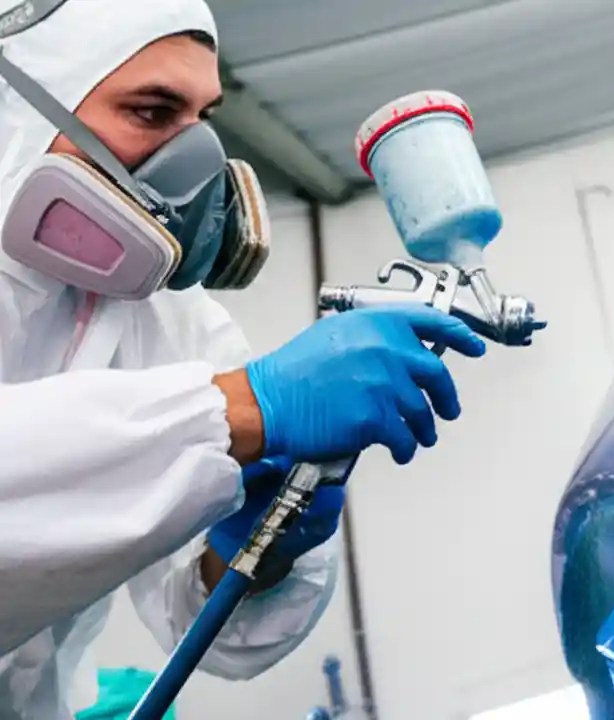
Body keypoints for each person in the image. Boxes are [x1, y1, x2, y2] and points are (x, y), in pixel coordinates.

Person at [0, 0, 485, 716]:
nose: (195, 164)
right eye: (152, 111)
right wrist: (242, 410)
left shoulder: (167, 320)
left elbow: (209, 634)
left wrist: (255, 549)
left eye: (202, 117)